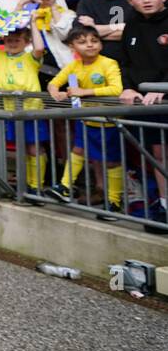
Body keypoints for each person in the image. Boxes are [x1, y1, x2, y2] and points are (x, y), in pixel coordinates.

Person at [46, 24, 124, 215]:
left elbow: (116, 89)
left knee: (112, 162)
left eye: (94, 41)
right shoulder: (73, 66)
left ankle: (114, 201)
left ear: (101, 44)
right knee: (78, 150)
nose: (90, 45)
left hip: (108, 121)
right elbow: (54, 82)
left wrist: (84, 92)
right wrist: (55, 91)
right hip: (86, 119)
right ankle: (65, 187)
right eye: (82, 42)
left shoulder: (108, 63)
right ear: (72, 48)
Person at [0, 17, 48, 191]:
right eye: (9, 40)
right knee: (22, 148)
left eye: (17, 40)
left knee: (34, 148)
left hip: (32, 109)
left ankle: (37, 186)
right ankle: (26, 183)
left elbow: (40, 47)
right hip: (10, 110)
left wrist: (33, 23)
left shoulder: (30, 58)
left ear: (26, 41)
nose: (12, 43)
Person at [120, 0, 168, 232]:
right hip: (146, 102)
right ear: (131, 1)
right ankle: (164, 205)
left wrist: (161, 87)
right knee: (158, 155)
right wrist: (128, 87)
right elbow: (126, 62)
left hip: (163, 98)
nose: (146, 0)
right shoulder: (132, 26)